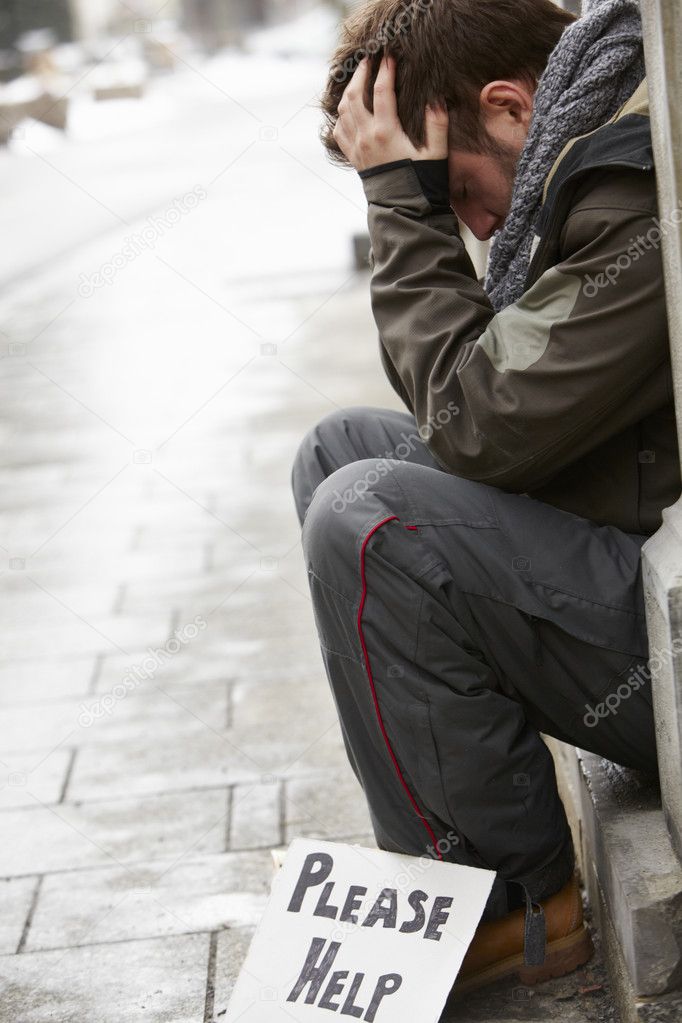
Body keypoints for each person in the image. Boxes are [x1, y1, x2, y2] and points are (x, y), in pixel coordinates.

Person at [291, 0, 679, 990]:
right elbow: (472, 407)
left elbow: (471, 422)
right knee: (339, 452)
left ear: (511, 108)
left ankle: (516, 905)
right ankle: (457, 862)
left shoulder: (638, 190)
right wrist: (408, 198)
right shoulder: (583, 159)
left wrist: (397, 202)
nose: (471, 226)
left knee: (372, 519)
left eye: (455, 191)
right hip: (635, 548)